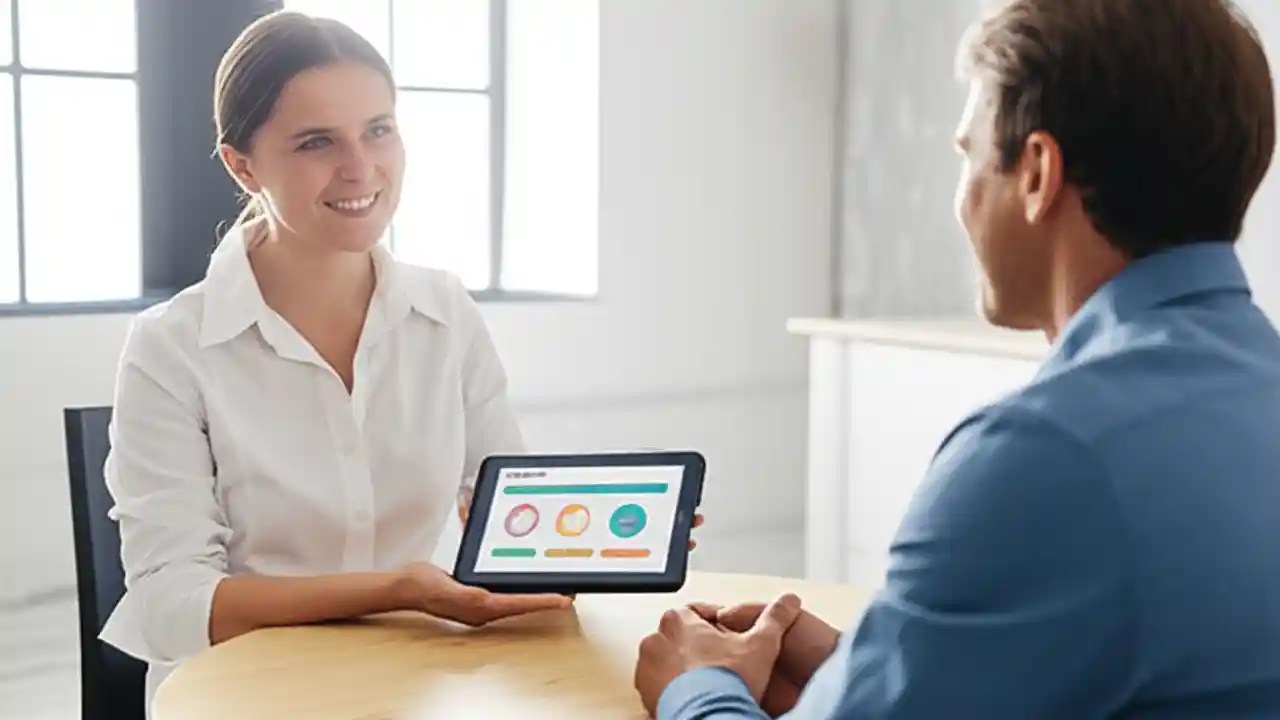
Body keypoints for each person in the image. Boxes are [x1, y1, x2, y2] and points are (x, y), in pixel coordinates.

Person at [634, 0, 1280, 717]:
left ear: (1035, 173)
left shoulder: (1047, 452)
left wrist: (696, 685)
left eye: (968, 154)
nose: (963, 197)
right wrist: (869, 662)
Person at [100, 11, 580, 708]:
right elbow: (171, 607)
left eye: (378, 130)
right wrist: (400, 589)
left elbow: (505, 505)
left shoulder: (445, 312)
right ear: (242, 164)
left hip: (411, 682)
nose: (360, 168)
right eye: (316, 141)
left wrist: (601, 531)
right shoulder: (170, 347)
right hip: (243, 693)